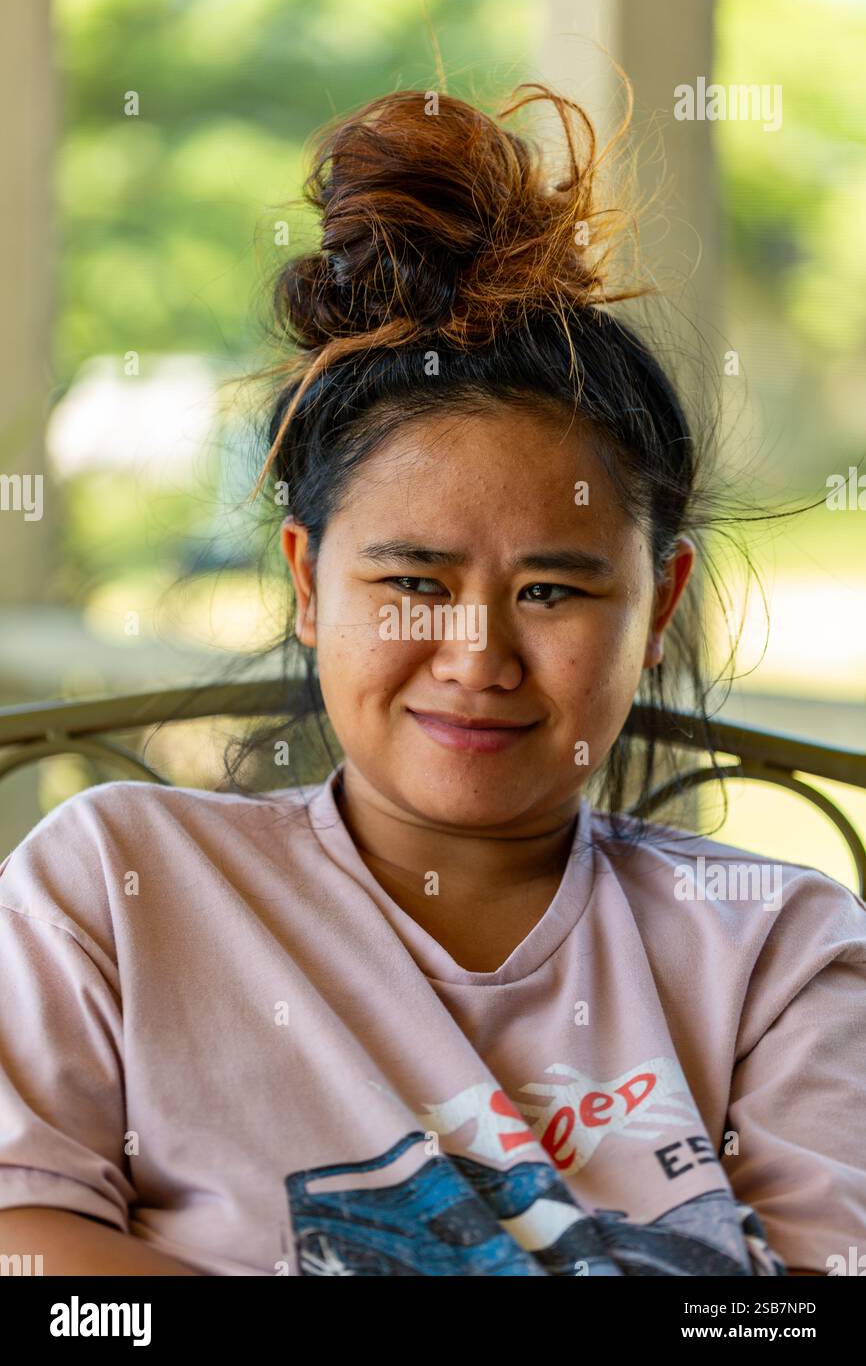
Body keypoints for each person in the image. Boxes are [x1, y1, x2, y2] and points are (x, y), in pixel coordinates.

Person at [1, 82, 864, 1278]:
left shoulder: (770, 945)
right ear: (307, 585)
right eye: (412, 582)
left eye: (552, 591)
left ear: (657, 607)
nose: (477, 657)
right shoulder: (119, 885)